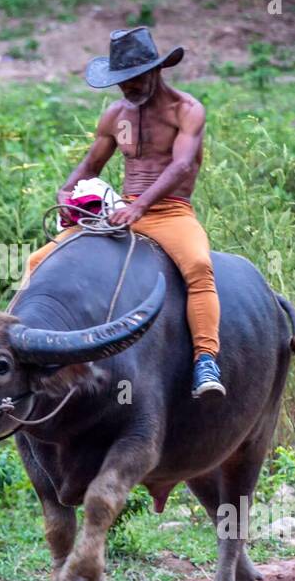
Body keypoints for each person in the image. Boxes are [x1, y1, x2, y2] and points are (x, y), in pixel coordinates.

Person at [21, 26, 224, 398]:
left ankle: (206, 359)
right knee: (37, 261)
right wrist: (67, 191)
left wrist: (141, 206)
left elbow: (180, 166)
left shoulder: (187, 110)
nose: (127, 88)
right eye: (120, 82)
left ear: (155, 70)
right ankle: (22, 352)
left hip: (170, 211)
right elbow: (90, 165)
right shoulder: (117, 115)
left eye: (133, 79)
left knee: (198, 267)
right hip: (120, 209)